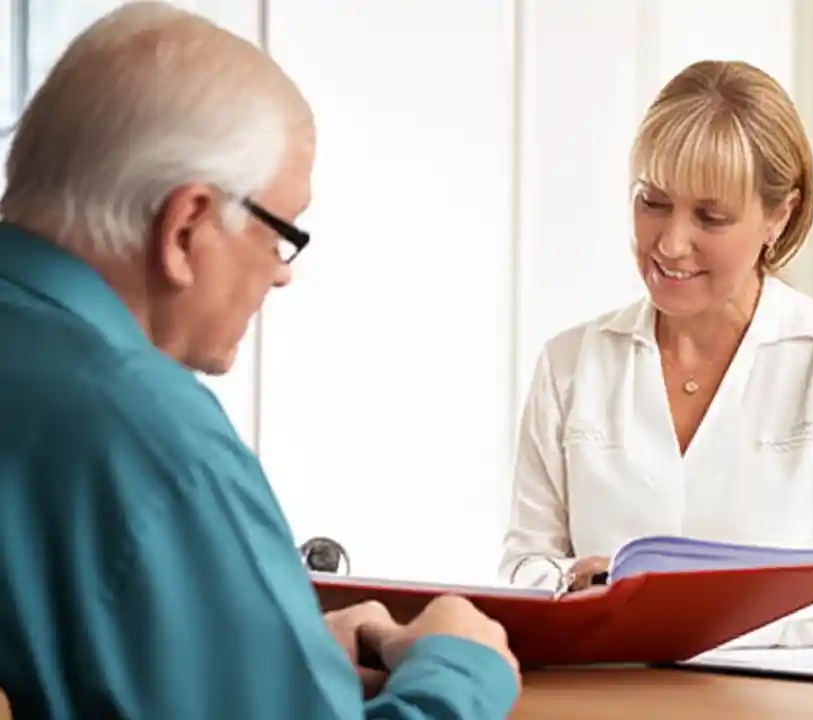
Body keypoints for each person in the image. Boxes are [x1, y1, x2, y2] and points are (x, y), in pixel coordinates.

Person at [0, 3, 518, 718]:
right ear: (185, 226)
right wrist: (461, 666)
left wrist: (270, 651)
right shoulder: (146, 433)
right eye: (282, 234)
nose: (283, 274)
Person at [499, 59, 813, 648]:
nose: (669, 243)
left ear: (780, 214)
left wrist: (702, 624)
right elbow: (525, 563)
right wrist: (570, 584)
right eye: (653, 202)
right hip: (608, 698)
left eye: (711, 217)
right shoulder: (571, 363)